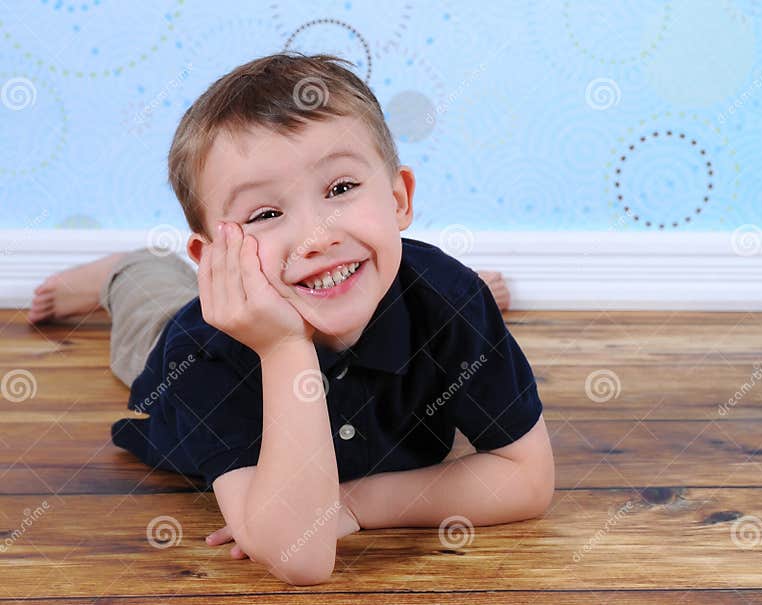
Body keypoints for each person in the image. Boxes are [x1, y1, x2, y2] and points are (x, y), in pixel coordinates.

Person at [28, 52, 554, 586]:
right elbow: (300, 556)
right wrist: (282, 347)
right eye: (266, 215)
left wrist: (352, 503)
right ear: (212, 256)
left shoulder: (450, 299)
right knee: (152, 309)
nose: (317, 237)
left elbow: (528, 479)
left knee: (439, 287)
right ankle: (127, 270)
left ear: (399, 200)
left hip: (386, 284)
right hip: (187, 336)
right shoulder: (200, 353)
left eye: (341, 189)